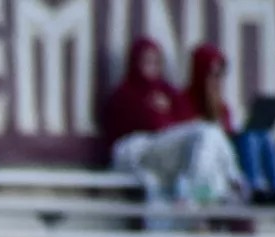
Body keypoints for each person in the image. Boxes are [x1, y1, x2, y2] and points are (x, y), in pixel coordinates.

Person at [103, 37, 244, 223]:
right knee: (208, 133)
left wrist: (163, 112)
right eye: (146, 61)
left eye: (156, 62)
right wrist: (154, 111)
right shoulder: (124, 93)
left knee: (212, 137)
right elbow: (151, 124)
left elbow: (178, 123)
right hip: (138, 150)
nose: (151, 67)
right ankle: (206, 194)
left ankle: (224, 192)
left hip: (166, 154)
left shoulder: (167, 91)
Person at [185, 43, 275, 202]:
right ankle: (252, 190)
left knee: (263, 136)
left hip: (228, 153)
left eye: (221, 75)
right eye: (214, 74)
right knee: (250, 140)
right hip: (209, 161)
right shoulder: (185, 101)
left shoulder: (223, 108)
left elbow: (227, 132)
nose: (218, 81)